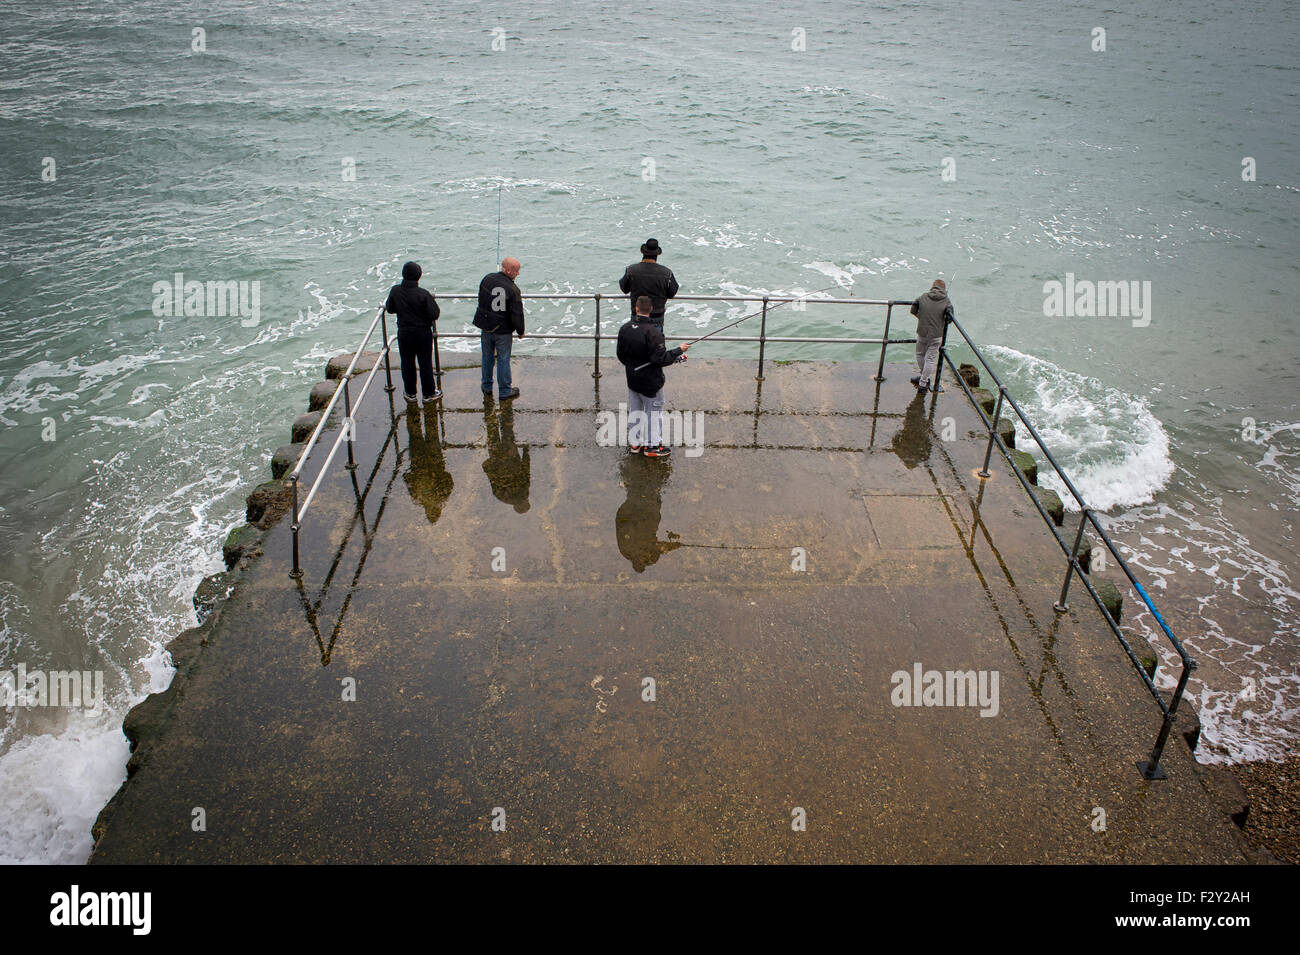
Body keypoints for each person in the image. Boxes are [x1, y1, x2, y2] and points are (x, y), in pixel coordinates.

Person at [616, 295, 689, 457]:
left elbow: (620, 355)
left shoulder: (625, 329)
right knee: (654, 413)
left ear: (636, 308)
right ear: (651, 311)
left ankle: (635, 444)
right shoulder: (654, 333)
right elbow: (661, 359)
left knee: (635, 410)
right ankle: (652, 446)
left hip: (632, 379)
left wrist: (632, 366)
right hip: (651, 382)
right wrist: (679, 350)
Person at [385, 261, 441, 403]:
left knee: (407, 362)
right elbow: (434, 313)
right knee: (425, 363)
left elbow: (390, 308)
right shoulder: (423, 294)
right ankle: (428, 393)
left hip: (404, 332)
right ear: (418, 276)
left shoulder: (395, 291)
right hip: (422, 333)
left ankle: (410, 393)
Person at [473, 257, 525, 401]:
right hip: (503, 331)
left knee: (487, 357)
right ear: (507, 270)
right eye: (516, 271)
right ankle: (505, 391)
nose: (518, 273)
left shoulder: (487, 279)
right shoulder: (513, 289)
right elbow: (517, 313)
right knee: (503, 359)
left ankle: (486, 386)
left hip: (486, 327)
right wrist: (520, 331)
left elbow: (481, 299)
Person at [618, 238, 679, 326]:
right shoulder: (667, 273)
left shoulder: (631, 270)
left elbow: (624, 288)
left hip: (637, 314)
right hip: (657, 316)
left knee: (637, 338)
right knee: (655, 338)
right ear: (657, 254)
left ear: (643, 253)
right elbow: (671, 293)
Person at [909, 278, 954, 392]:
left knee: (920, 355)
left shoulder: (923, 296)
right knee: (930, 359)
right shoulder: (946, 301)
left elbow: (913, 309)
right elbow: (949, 319)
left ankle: (923, 377)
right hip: (936, 335)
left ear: (933, 286)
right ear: (944, 289)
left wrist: (920, 317)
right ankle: (923, 383)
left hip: (922, 332)